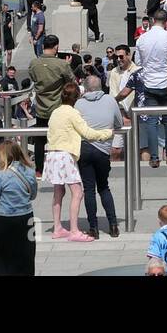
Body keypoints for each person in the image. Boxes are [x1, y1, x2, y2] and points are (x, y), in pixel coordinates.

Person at [44, 82, 113, 241]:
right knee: (78, 192)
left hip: (52, 154)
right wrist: (107, 133)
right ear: (76, 97)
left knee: (58, 192)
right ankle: (74, 231)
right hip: (65, 155)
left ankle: (58, 228)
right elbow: (87, 133)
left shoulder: (55, 112)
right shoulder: (73, 113)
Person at [74, 74, 123, 238]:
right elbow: (119, 123)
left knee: (89, 189)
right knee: (103, 187)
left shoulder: (79, 103)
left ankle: (93, 228)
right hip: (103, 149)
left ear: (85, 88)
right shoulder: (110, 100)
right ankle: (113, 224)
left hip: (85, 148)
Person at [0, 140, 38, 275]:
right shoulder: (30, 172)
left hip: (2, 220)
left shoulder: (0, 175)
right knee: (25, 257)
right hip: (26, 218)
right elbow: (33, 195)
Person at [133, 10, 167, 165]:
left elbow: (139, 62)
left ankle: (154, 157)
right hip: (166, 83)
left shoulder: (142, 38)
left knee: (152, 121)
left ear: (153, 20)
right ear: (166, 21)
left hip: (149, 83)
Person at [28, 34, 76, 176]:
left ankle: (39, 169)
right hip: (57, 108)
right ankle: (60, 169)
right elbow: (71, 81)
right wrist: (68, 64)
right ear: (56, 47)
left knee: (39, 140)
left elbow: (33, 77)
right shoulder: (62, 64)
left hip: (41, 108)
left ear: (43, 46)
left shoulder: (34, 63)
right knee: (60, 138)